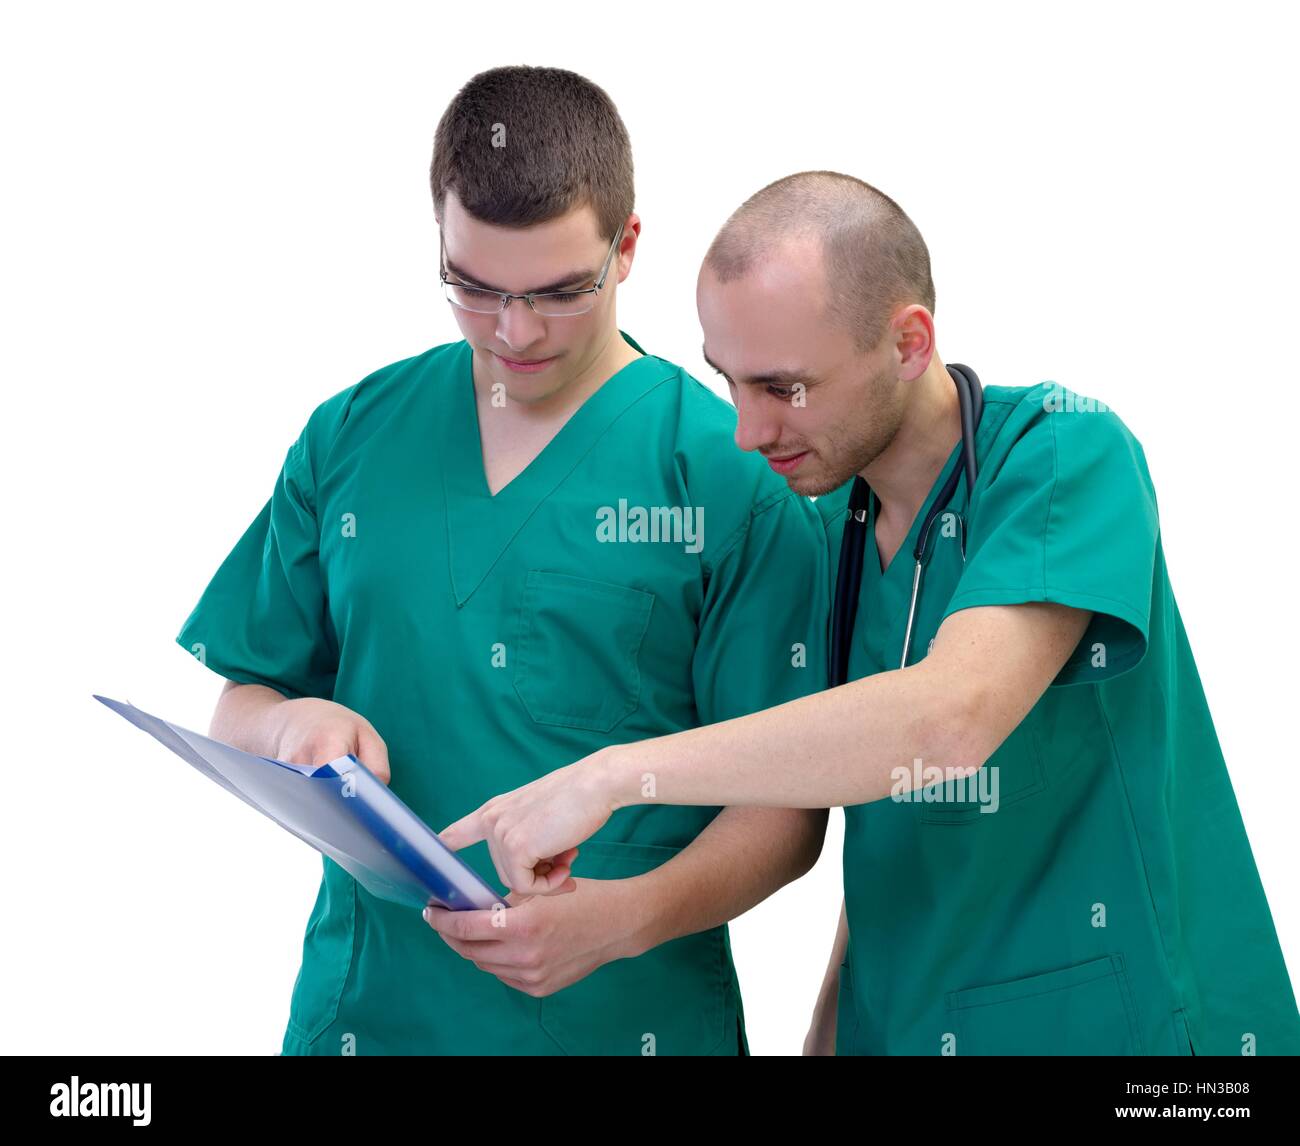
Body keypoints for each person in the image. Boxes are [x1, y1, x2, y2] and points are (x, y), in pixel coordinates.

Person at [442, 170, 1300, 1056]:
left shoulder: (1060, 456)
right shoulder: (823, 533)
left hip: (1129, 1031)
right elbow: (874, 780)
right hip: (907, 1023)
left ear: (909, 341)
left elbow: (946, 719)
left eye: (785, 389)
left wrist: (610, 776)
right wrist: (832, 1024)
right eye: (728, 383)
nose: (747, 430)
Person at [175, 69, 829, 1055]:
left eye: (559, 292)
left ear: (629, 247)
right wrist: (290, 727)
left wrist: (624, 919)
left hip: (623, 1023)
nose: (513, 333)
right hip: (369, 1015)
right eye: (473, 288)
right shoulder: (353, 435)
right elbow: (245, 699)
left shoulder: (729, 472)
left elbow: (786, 808)